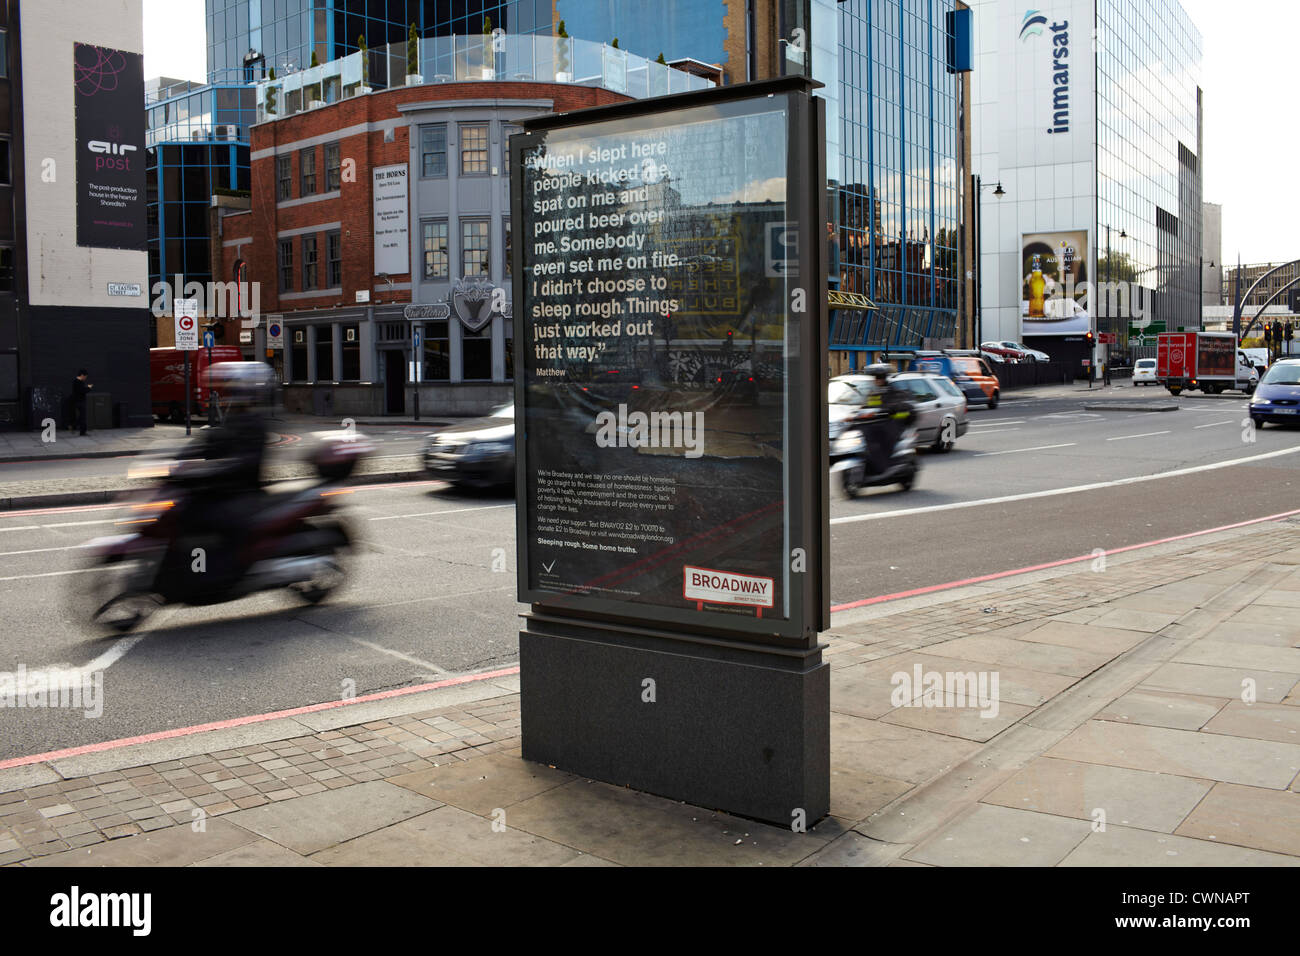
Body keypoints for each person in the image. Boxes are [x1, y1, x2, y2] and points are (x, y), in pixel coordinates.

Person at [177, 362, 275, 590]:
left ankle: (231, 573)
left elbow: (247, 460)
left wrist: (214, 469)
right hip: (223, 487)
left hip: (244, 491)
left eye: (236, 390)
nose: (232, 395)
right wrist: (178, 456)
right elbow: (213, 441)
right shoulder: (234, 416)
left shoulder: (255, 422)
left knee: (218, 520)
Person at [854, 363, 914, 475]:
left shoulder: (893, 392)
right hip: (879, 424)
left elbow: (894, 406)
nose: (877, 380)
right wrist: (856, 415)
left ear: (884, 378)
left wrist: (883, 411)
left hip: (892, 425)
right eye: (876, 378)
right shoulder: (875, 393)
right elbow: (868, 406)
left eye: (879, 377)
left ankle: (883, 468)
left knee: (880, 441)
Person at [72, 369, 93, 435]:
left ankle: (75, 426)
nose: (85, 378)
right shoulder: (79, 382)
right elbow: (82, 391)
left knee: (81, 416)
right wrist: (89, 388)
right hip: (80, 402)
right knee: (83, 417)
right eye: (85, 376)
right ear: (82, 375)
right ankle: (82, 431)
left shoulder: (76, 381)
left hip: (77, 401)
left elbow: (80, 390)